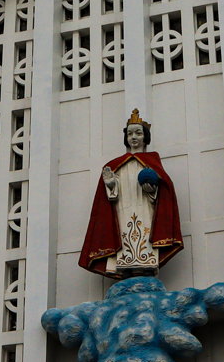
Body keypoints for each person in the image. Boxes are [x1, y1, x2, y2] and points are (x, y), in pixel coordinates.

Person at [78, 109, 183, 277]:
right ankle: (125, 266)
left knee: (144, 233)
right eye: (130, 134)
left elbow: (164, 190)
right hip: (123, 208)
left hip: (145, 208)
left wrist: (152, 190)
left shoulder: (152, 162)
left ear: (145, 137)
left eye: (138, 133)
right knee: (124, 233)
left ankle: (145, 264)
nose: (134, 137)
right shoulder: (116, 165)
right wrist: (112, 185)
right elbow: (108, 197)